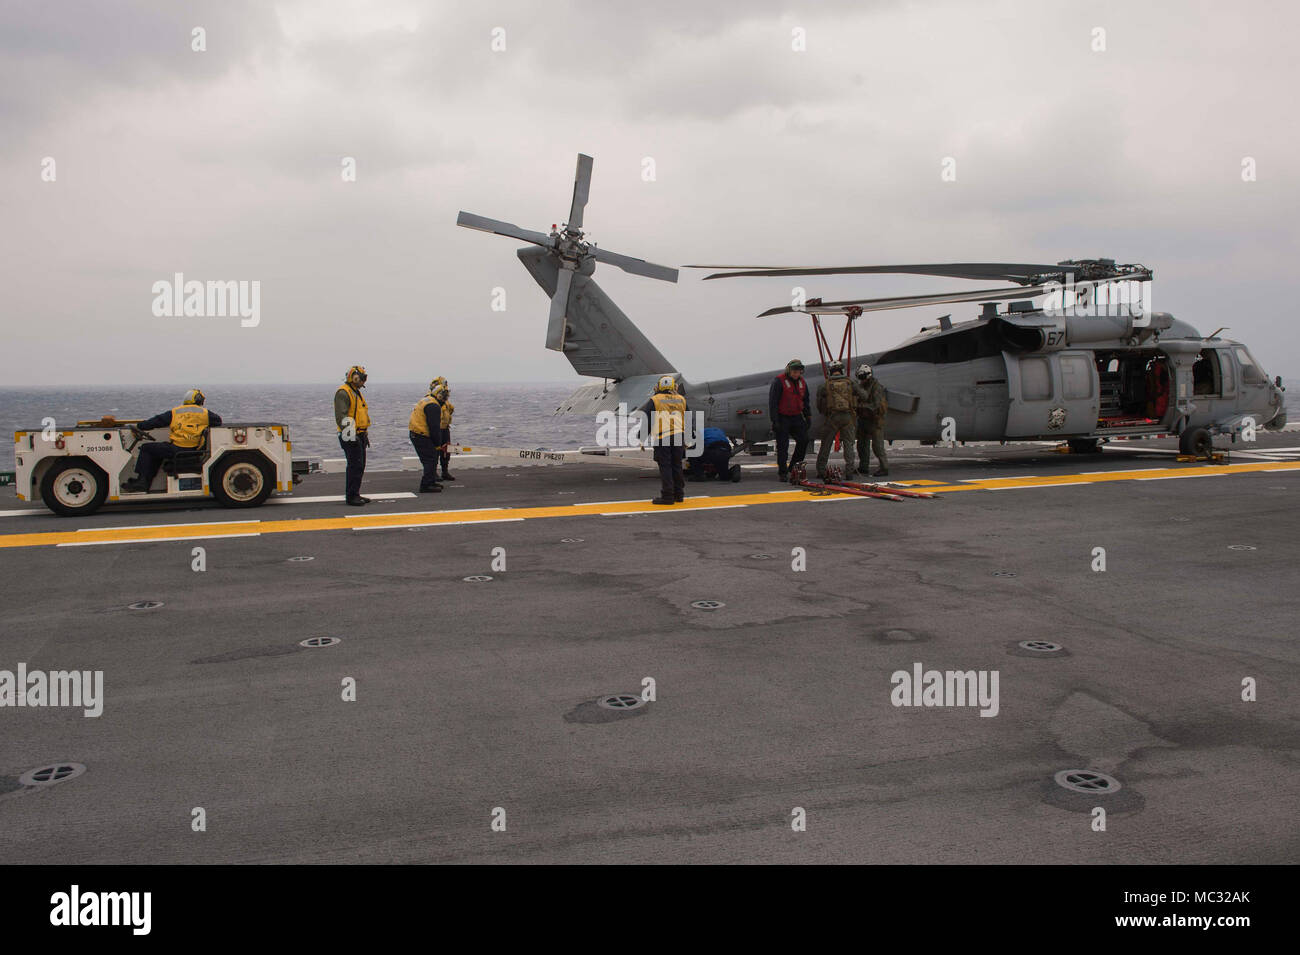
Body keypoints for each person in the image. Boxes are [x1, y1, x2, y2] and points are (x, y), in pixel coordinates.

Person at [123, 389, 222, 491]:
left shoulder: (176, 412)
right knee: (157, 451)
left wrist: (140, 426)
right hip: (194, 450)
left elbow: (157, 421)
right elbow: (218, 421)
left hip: (177, 449)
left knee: (146, 448)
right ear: (200, 401)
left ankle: (142, 481)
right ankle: (144, 482)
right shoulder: (205, 413)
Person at [639, 375, 688, 505]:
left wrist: (641, 438)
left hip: (663, 437)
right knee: (677, 465)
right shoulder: (681, 400)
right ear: (674, 387)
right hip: (679, 436)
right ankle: (679, 495)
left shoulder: (655, 400)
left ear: (659, 387)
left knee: (665, 466)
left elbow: (647, 420)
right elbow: (688, 419)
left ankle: (667, 496)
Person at [814, 360, 862, 480]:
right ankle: (849, 472)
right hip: (848, 417)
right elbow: (864, 395)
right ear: (842, 370)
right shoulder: (851, 382)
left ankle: (821, 470)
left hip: (832, 418)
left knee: (826, 445)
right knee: (849, 445)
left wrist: (825, 412)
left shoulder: (825, 385)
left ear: (830, 371)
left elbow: (819, 404)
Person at [768, 358, 811, 481]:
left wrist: (808, 416)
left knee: (804, 440)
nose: (796, 373)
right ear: (789, 370)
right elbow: (773, 402)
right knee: (783, 446)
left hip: (796, 416)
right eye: (794, 371)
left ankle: (793, 467)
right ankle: (782, 472)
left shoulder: (802, 382)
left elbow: (806, 401)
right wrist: (775, 420)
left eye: (798, 371)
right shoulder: (779, 381)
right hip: (783, 417)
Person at [335, 365, 370, 506]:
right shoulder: (343, 393)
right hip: (349, 434)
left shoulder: (355, 392)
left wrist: (364, 434)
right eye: (361, 379)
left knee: (360, 465)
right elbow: (342, 416)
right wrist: (352, 435)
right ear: (354, 377)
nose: (363, 382)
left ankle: (355, 493)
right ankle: (351, 496)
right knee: (355, 465)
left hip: (359, 434)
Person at [408, 381, 444, 493]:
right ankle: (426, 485)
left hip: (416, 433)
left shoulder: (427, 400)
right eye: (444, 396)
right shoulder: (433, 406)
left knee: (429, 459)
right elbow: (434, 427)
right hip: (421, 434)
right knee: (430, 459)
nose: (445, 399)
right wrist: (438, 444)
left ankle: (431, 481)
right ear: (438, 395)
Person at [855, 364, 890, 477]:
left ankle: (884, 468)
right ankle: (863, 467)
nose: (862, 380)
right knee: (861, 445)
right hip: (864, 420)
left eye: (863, 377)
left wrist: (859, 406)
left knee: (878, 446)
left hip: (875, 420)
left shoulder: (877, 388)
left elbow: (875, 405)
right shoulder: (862, 386)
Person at [435, 383, 455, 481]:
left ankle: (445, 471)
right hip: (437, 429)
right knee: (436, 450)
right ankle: (433, 472)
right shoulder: (433, 401)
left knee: (447, 450)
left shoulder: (445, 402)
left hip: (445, 428)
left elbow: (451, 408)